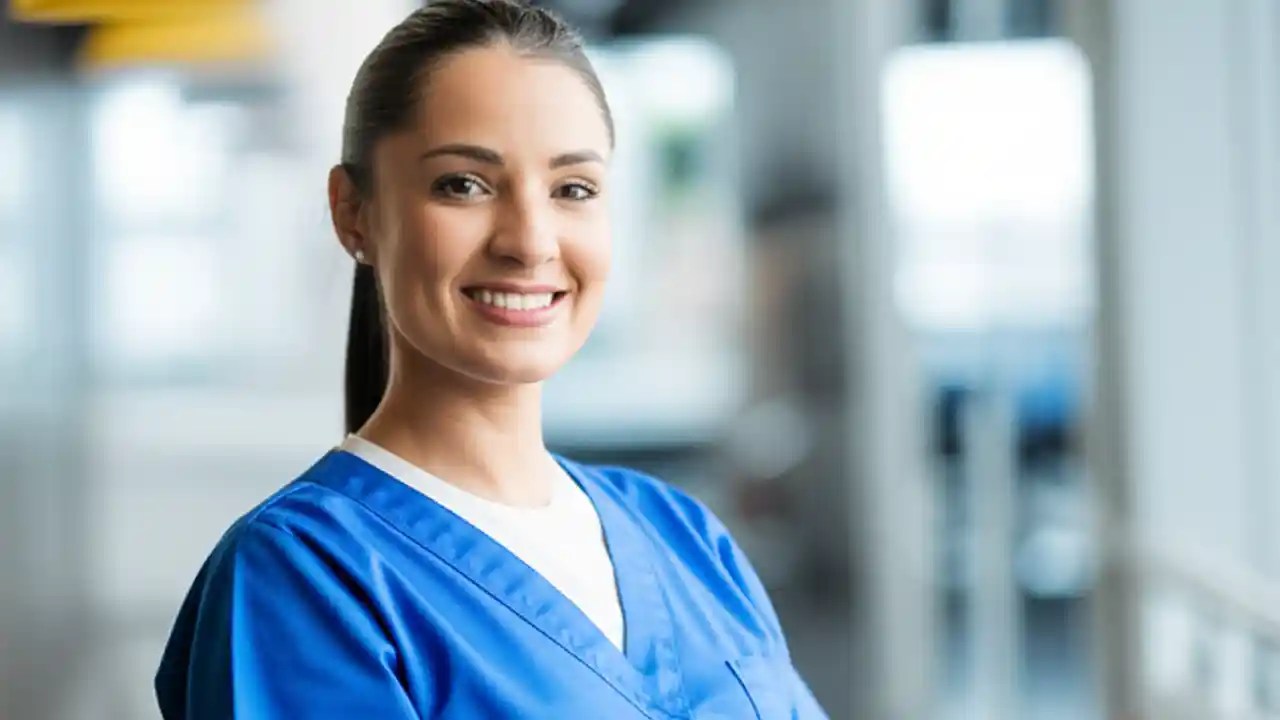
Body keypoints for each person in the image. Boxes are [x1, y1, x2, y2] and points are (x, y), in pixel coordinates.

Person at [154, 1, 827, 717]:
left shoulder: (684, 537)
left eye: (573, 189)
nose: (530, 241)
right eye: (463, 185)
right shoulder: (304, 578)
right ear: (355, 212)